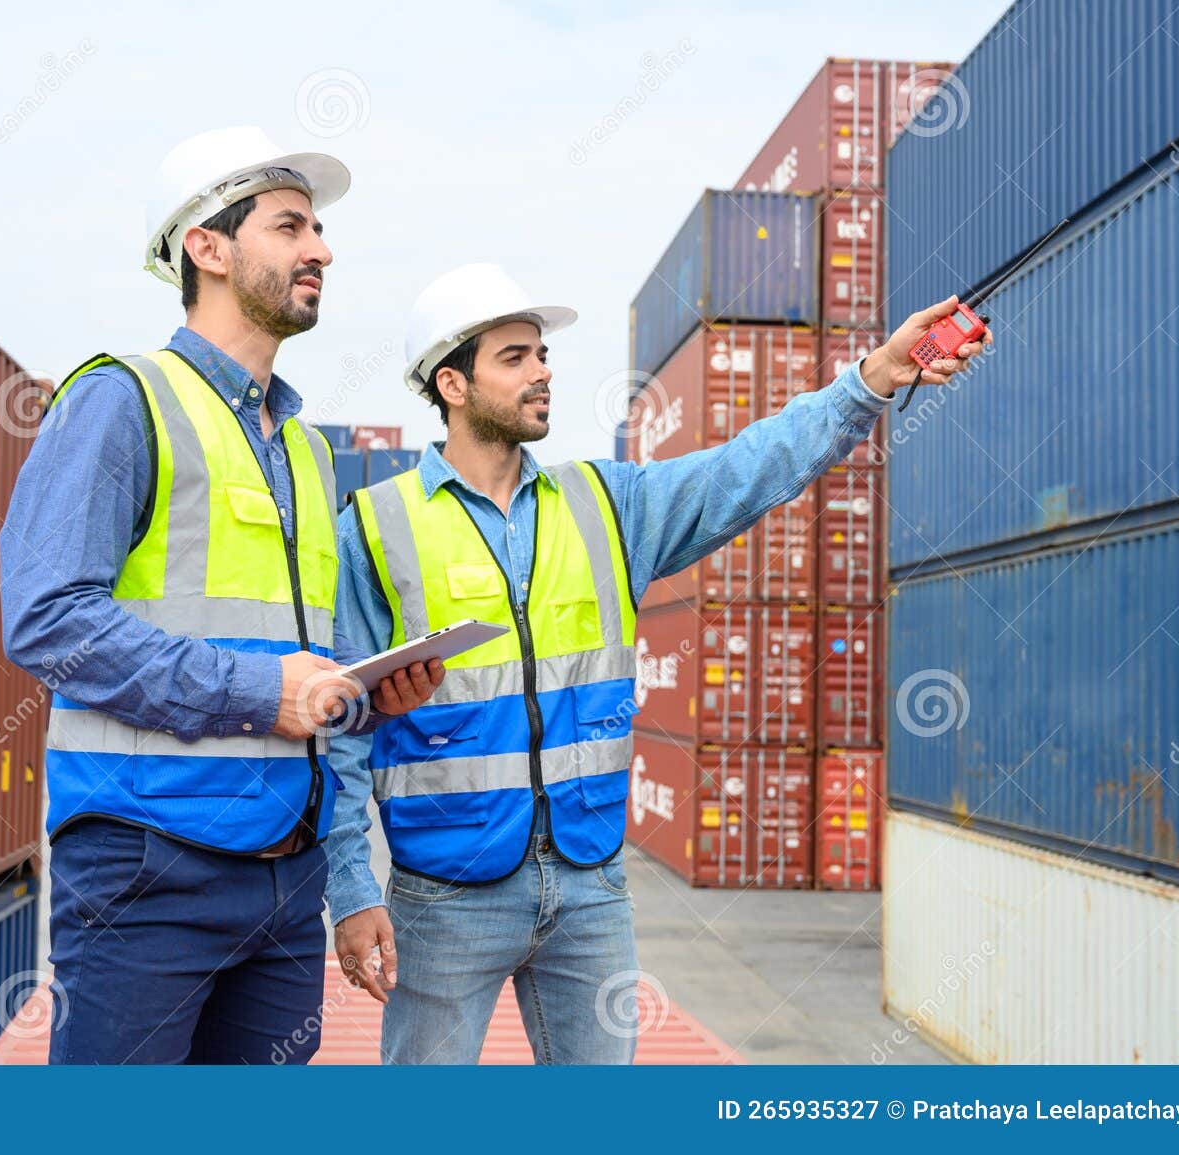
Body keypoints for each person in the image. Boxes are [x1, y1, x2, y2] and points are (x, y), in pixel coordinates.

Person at [325, 262, 986, 1063]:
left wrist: (873, 378)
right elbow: (341, 730)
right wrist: (352, 888)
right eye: (514, 357)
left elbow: (750, 467)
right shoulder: (375, 526)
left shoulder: (609, 505)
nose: (543, 370)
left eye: (541, 353)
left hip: (589, 884)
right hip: (443, 894)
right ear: (451, 384)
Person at [0, 127, 442, 1065]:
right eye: (291, 226)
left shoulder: (310, 452)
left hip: (287, 877)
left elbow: (296, 662)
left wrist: (363, 690)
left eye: (318, 230)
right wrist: (260, 694)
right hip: (146, 867)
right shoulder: (122, 400)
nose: (321, 249)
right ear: (207, 245)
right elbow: (45, 617)